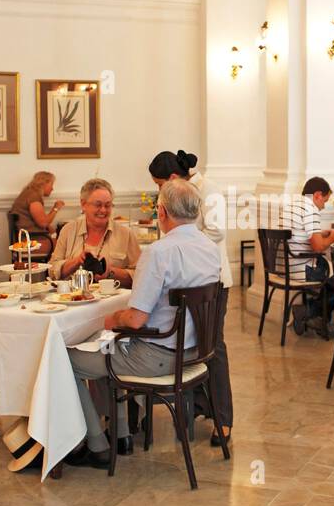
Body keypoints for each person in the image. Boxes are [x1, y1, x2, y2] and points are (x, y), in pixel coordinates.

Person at [65, 180, 220, 468]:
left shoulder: (159, 252)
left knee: (65, 359)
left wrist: (110, 320)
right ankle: (121, 433)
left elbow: (136, 319)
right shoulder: (210, 248)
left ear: (161, 212)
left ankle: (97, 444)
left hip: (158, 358)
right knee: (110, 345)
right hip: (194, 352)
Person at [148, 150, 233, 445]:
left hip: (212, 279)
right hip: (186, 279)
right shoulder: (178, 195)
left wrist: (182, 248)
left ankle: (223, 419)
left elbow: (217, 232)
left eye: (159, 185)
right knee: (191, 343)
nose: (158, 191)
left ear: (172, 179)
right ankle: (198, 406)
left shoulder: (212, 192)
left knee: (213, 346)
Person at [280, 177, 334, 335]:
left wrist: (321, 233)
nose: (323, 207)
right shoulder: (310, 209)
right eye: (325, 201)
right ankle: (310, 312)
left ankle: (316, 315)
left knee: (329, 269)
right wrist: (333, 237)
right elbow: (318, 246)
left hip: (283, 266)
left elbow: (299, 234)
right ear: (317, 195)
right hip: (301, 270)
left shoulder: (291, 206)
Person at [48, 178, 140, 287]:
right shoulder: (68, 230)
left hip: (112, 301)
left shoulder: (125, 234)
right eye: (98, 205)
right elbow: (52, 271)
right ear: (83, 204)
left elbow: (140, 276)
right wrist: (76, 262)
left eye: (107, 205)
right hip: (73, 299)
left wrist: (110, 272)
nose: (103, 210)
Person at [9, 170, 65, 251]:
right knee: (65, 246)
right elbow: (43, 223)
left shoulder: (28, 194)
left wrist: (52, 231)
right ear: (43, 184)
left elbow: (40, 221)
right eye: (51, 185)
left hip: (29, 237)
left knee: (63, 242)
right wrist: (56, 208)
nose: (52, 188)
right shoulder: (33, 197)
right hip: (32, 241)